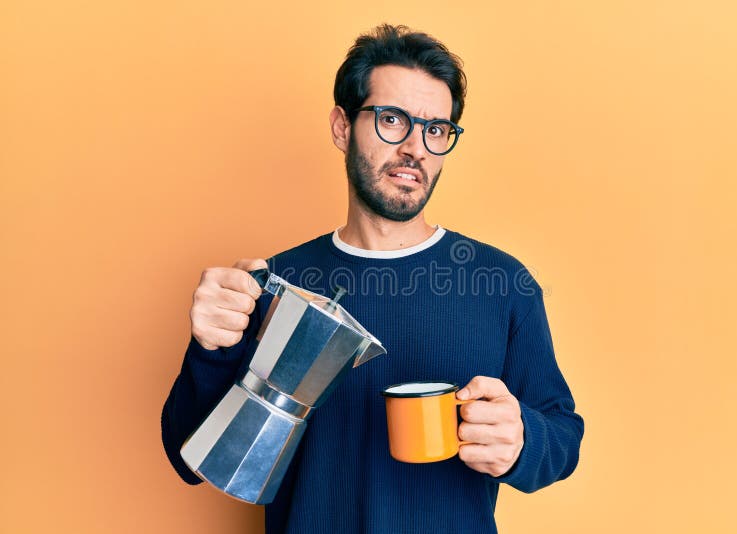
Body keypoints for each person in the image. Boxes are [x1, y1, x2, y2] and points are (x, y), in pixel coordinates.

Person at [161, 24, 583, 534]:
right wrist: (210, 349)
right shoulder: (276, 284)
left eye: (435, 129)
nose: (415, 148)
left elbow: (563, 439)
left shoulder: (502, 283)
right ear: (342, 127)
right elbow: (188, 458)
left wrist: (523, 441)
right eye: (391, 120)